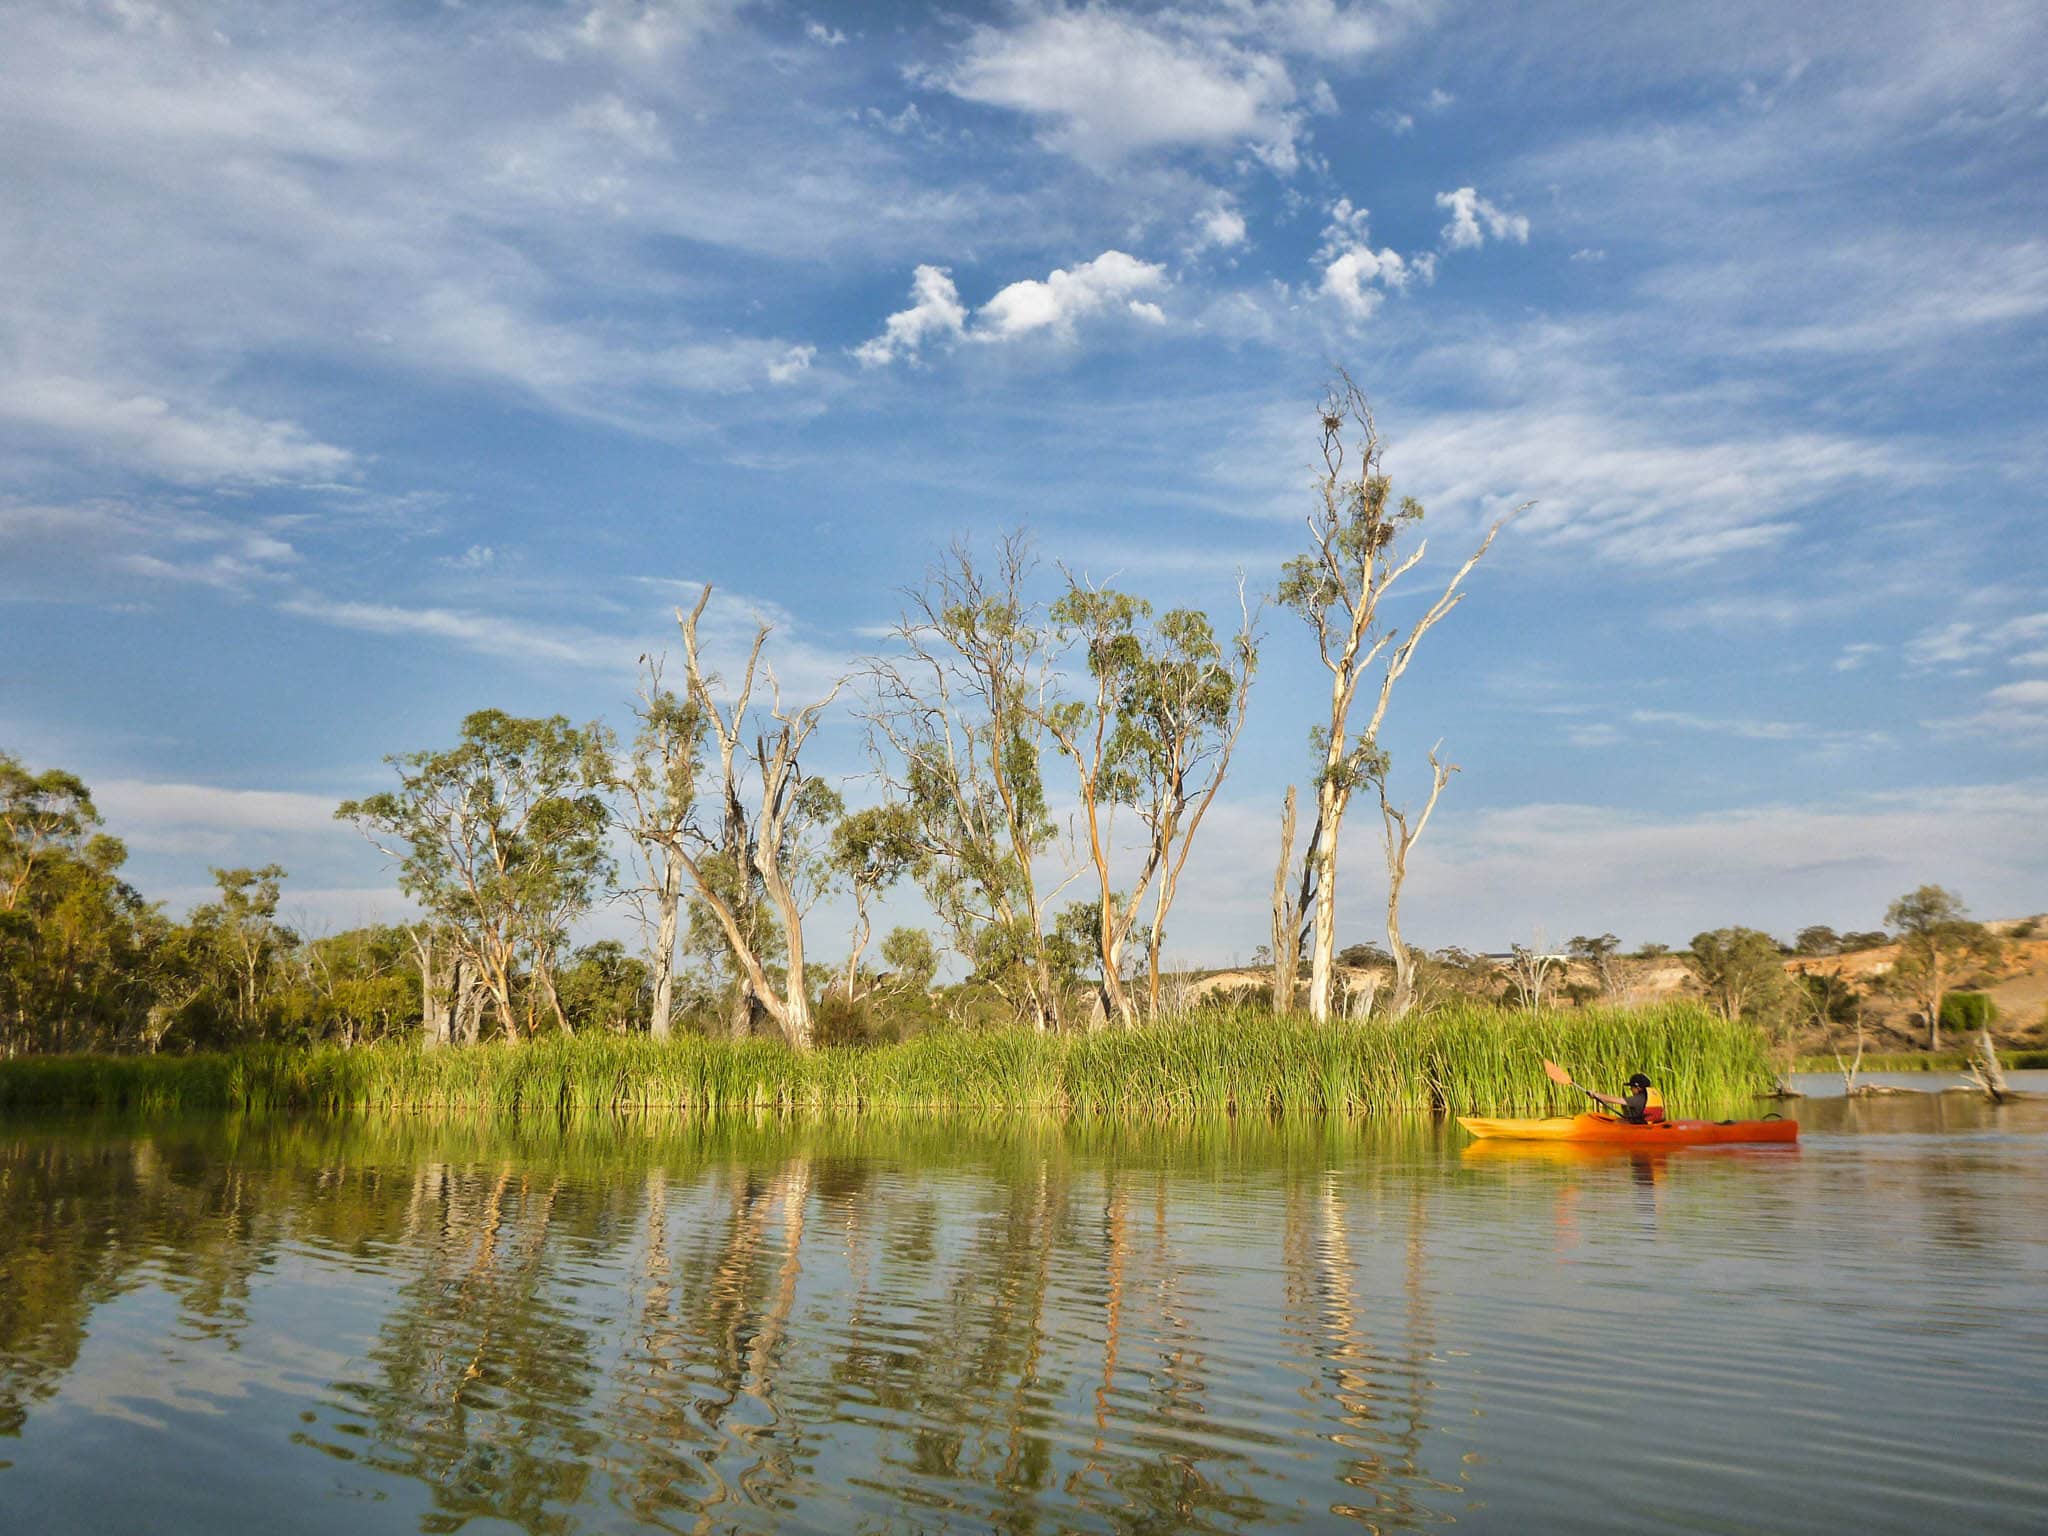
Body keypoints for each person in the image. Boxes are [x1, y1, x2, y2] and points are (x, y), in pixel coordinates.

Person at [1589, 1072, 1666, 1125]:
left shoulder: (1637, 1099)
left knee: (1617, 1122)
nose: (1631, 1089)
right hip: (1655, 1124)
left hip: (1642, 1127)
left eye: (1631, 1087)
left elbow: (1616, 1100)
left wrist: (1596, 1095)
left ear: (1638, 1088)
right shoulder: (1655, 1095)